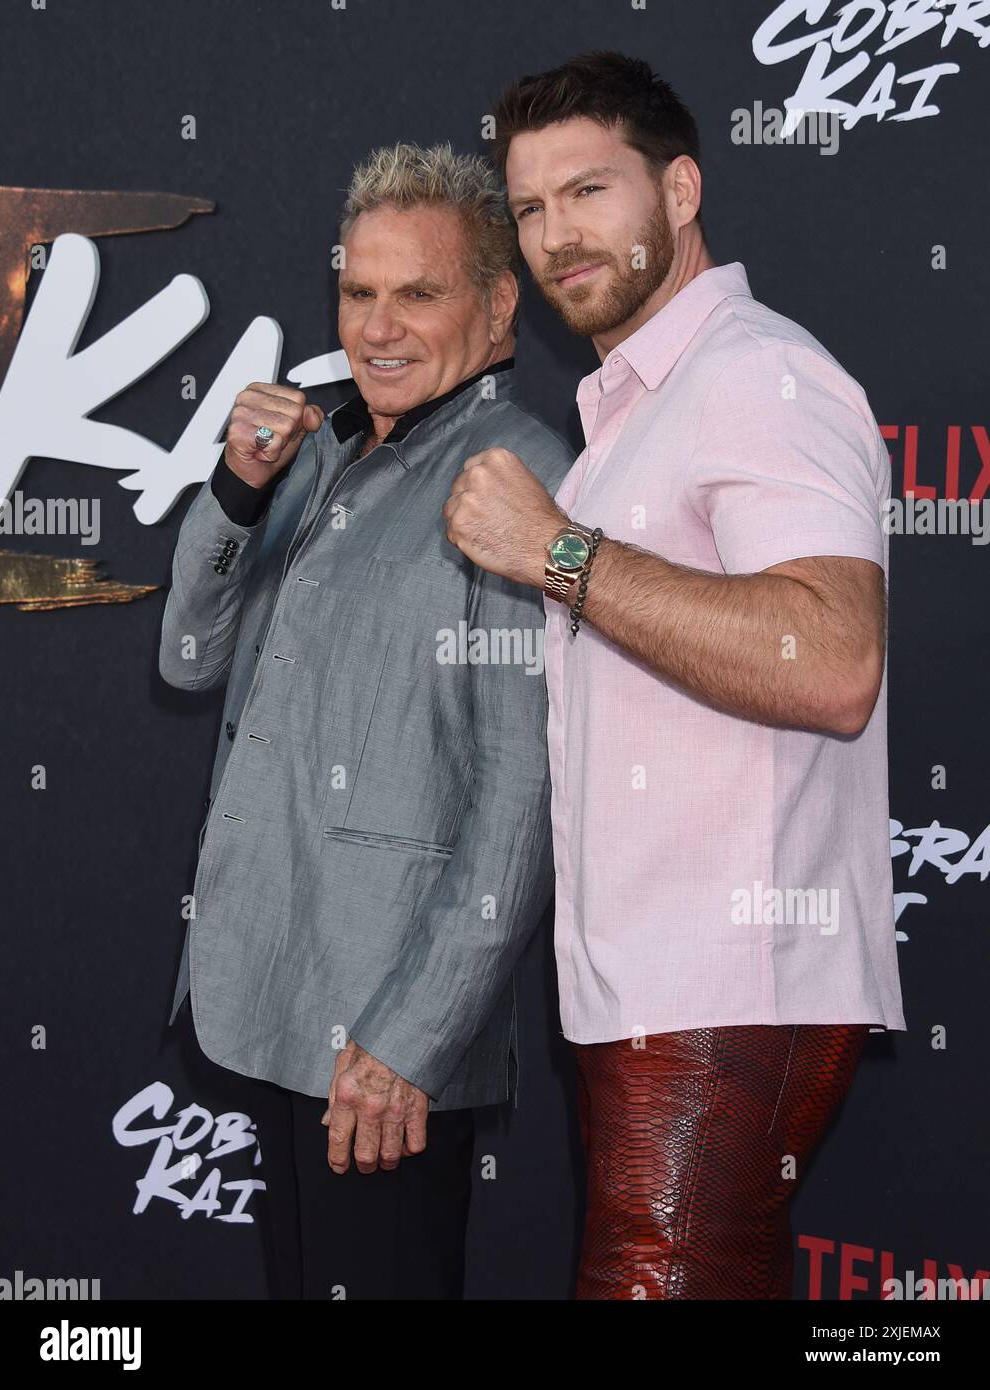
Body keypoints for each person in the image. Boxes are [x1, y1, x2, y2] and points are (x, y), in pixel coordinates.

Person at [444, 51, 906, 1299]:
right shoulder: (641, 407)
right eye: (530, 208)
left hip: (726, 984)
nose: (555, 236)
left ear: (682, 189)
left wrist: (554, 550)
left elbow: (835, 659)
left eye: (589, 191)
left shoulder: (758, 374)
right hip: (663, 994)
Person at [159, 140, 573, 1299]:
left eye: (417, 293)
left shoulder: (517, 480)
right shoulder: (320, 450)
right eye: (357, 290)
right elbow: (186, 657)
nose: (376, 327)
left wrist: (411, 1040)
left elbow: (519, 801)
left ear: (498, 310)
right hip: (279, 993)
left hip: (382, 1037)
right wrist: (237, 486)